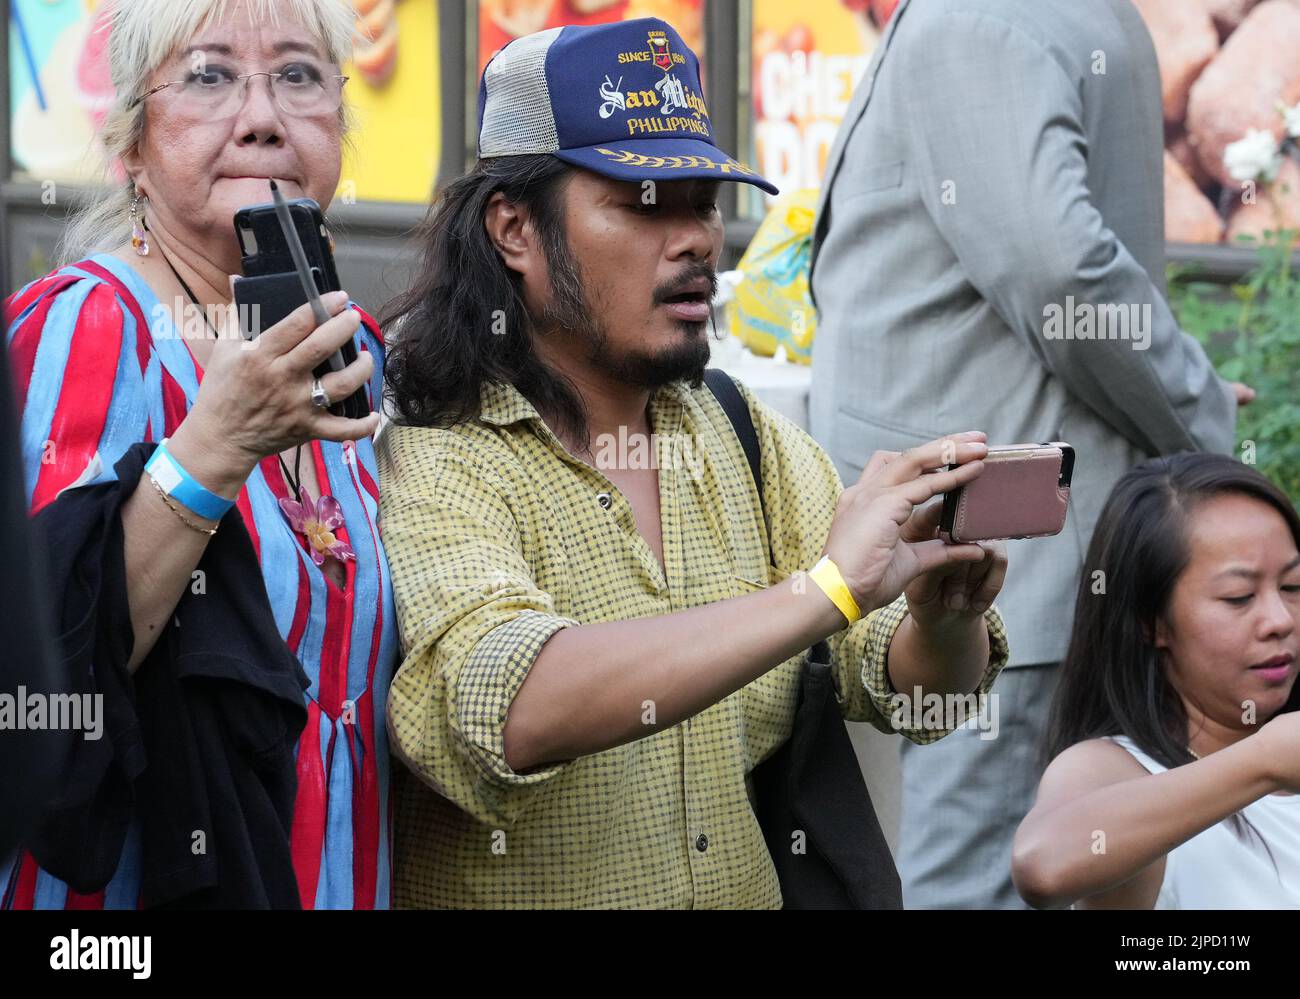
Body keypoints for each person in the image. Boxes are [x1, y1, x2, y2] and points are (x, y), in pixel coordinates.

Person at [377, 16, 1010, 909]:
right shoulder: (440, 452)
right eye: (644, 203)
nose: (696, 241)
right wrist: (825, 589)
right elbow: (502, 705)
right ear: (513, 229)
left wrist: (941, 618)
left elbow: (906, 692)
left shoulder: (736, 429)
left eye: (703, 202)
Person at [807, 0, 1243, 908]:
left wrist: (1195, 411)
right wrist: (1180, 392)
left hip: (1002, 556)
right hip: (1009, 547)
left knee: (979, 883)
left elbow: (1059, 272)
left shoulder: (978, 20)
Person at [2, 0, 397, 909]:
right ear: (133, 146)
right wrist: (212, 451)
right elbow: (40, 683)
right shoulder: (89, 327)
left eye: (299, 75)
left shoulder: (357, 352)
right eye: (210, 76)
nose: (262, 117)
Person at [1012, 453, 1300, 909]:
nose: (1279, 620)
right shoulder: (1116, 768)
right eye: (1239, 597)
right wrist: (1264, 760)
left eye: (1293, 587)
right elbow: (1042, 865)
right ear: (1150, 620)